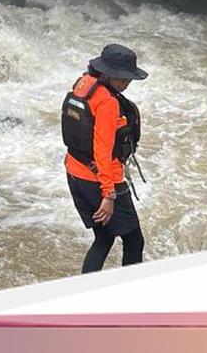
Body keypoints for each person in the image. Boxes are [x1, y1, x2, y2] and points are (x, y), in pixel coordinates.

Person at [61, 43, 147, 273]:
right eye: (123, 78)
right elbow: (102, 150)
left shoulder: (83, 84)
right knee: (134, 240)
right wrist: (108, 194)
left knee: (104, 239)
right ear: (108, 73)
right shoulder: (108, 102)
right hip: (100, 181)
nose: (127, 83)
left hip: (75, 173)